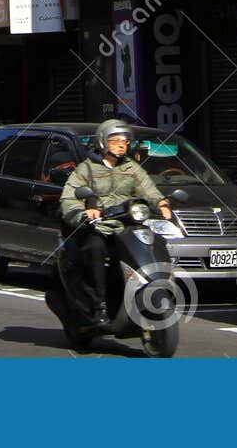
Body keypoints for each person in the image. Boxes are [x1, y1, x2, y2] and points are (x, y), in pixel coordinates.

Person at [58, 120, 172, 332]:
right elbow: (69, 198)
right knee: (95, 249)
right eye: (116, 140)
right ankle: (99, 304)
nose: (122, 144)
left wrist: (162, 203)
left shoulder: (131, 168)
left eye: (125, 141)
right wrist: (83, 213)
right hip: (98, 227)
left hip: (125, 226)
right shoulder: (87, 169)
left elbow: (148, 189)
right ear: (103, 141)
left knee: (154, 242)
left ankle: (152, 287)